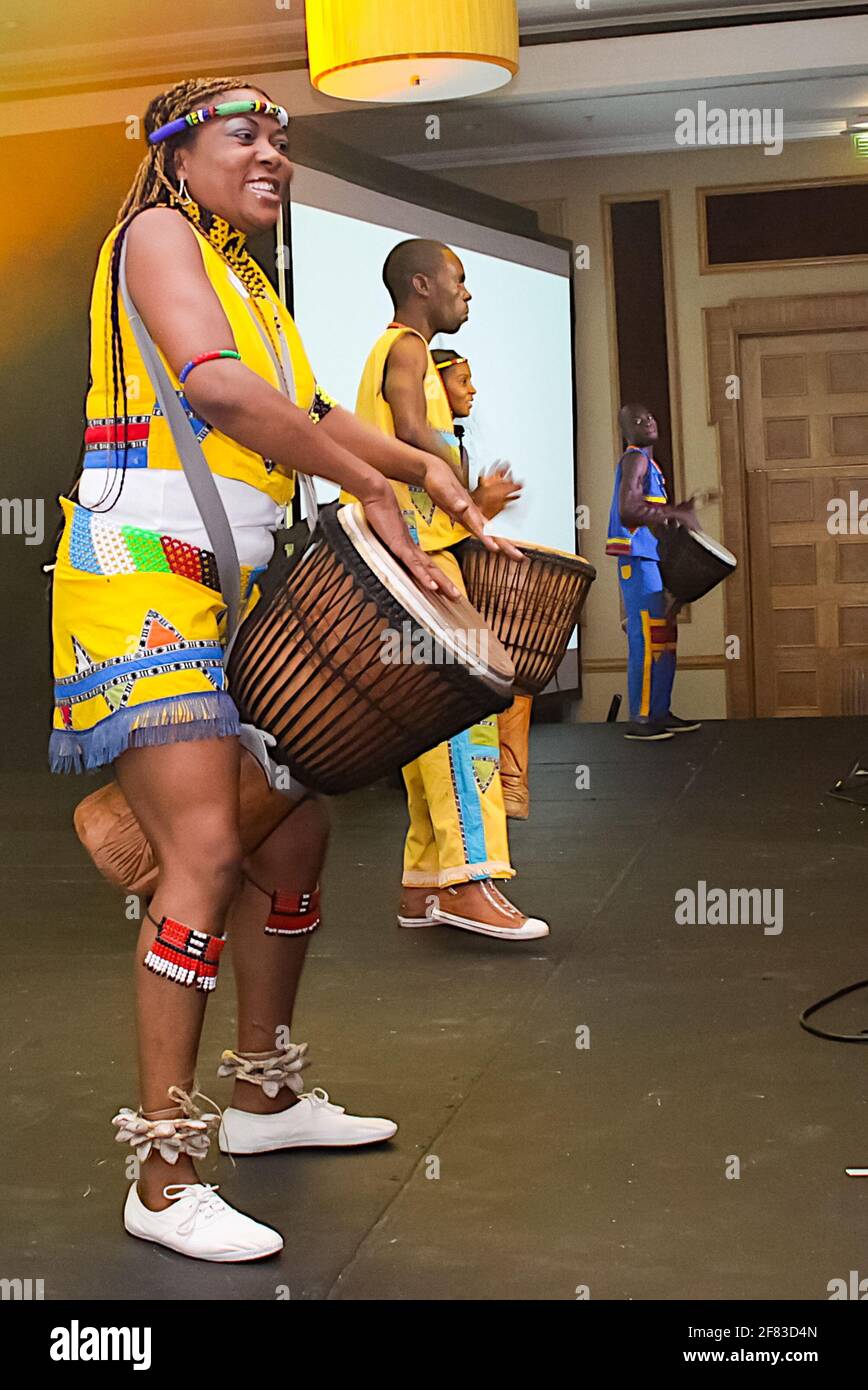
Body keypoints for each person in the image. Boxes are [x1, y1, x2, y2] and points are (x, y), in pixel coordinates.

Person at [49, 78, 503, 1263]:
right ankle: (160, 1167)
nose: (272, 154)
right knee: (202, 855)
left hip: (230, 583)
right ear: (176, 154)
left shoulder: (245, 274)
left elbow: (303, 406)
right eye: (243, 135)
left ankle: (261, 1096)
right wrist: (365, 485)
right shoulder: (153, 232)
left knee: (292, 838)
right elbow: (220, 390)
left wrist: (424, 473)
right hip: (143, 575)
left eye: (281, 139)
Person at [343, 239, 548, 940]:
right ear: (423, 284)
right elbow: (406, 427)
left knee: (425, 722)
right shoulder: (404, 346)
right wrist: (462, 473)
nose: (468, 294)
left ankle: (423, 883)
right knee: (466, 717)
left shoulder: (389, 349)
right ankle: (470, 881)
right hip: (421, 560)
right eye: (460, 281)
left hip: (402, 557)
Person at [431, 348, 533, 820]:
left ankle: (509, 787)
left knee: (512, 676)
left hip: (444, 584)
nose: (472, 390)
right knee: (494, 677)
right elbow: (428, 526)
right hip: (425, 596)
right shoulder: (423, 447)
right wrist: (481, 505)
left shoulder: (453, 445)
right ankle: (500, 789)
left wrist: (481, 505)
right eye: (463, 381)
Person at [607, 403, 704, 741]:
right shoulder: (634, 458)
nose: (646, 421)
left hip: (650, 558)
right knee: (647, 638)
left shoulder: (651, 465)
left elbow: (653, 516)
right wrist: (678, 512)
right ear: (625, 431)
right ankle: (643, 718)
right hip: (636, 559)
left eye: (650, 416)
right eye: (636, 420)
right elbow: (629, 509)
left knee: (665, 638)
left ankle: (660, 711)